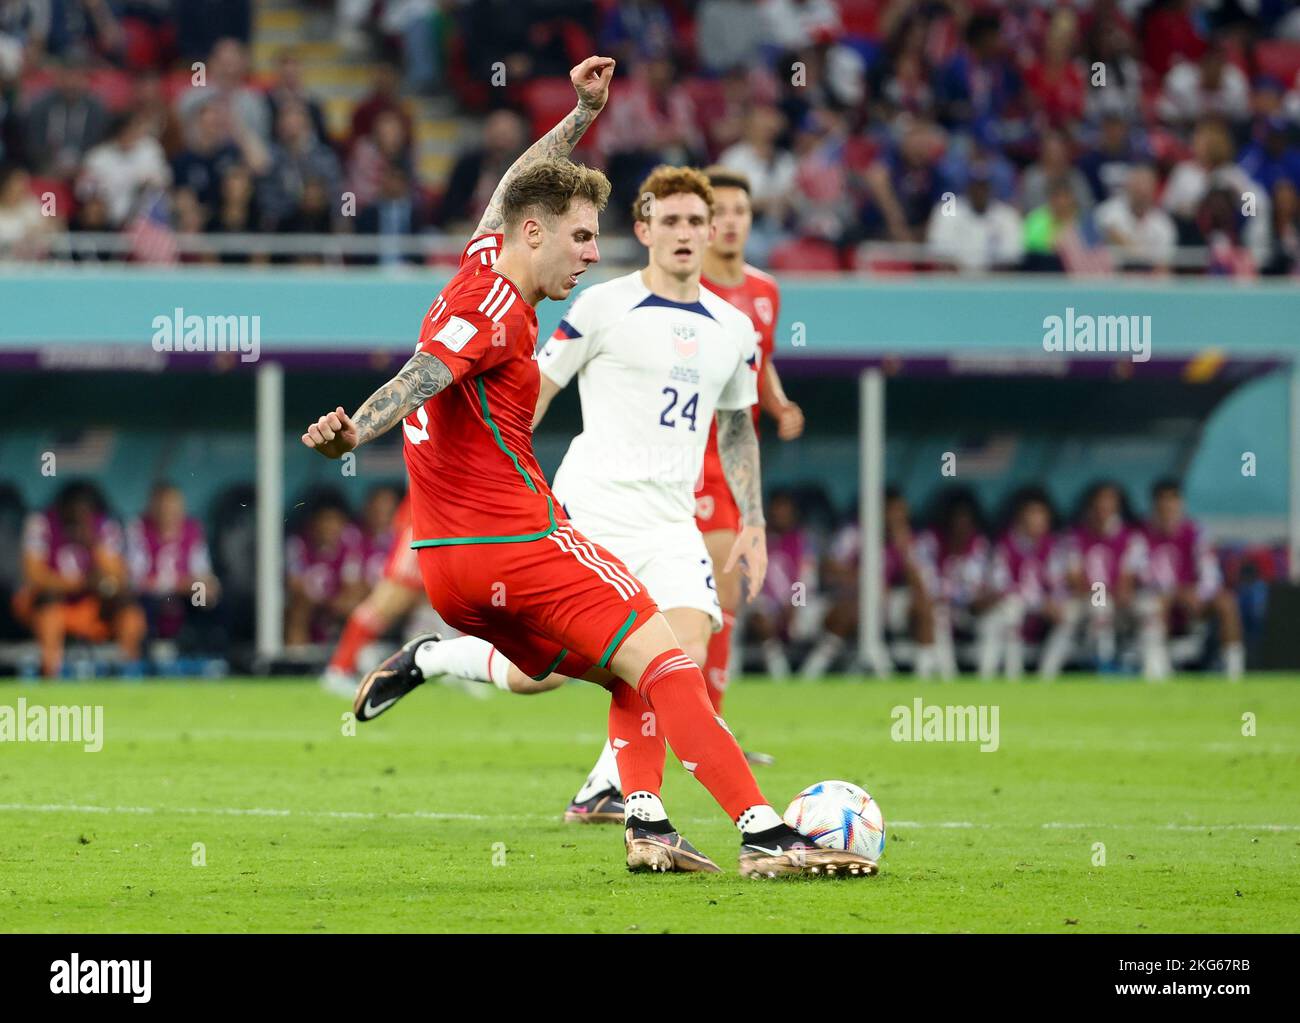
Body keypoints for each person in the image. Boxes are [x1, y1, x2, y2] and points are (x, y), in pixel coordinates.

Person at [301, 56, 874, 879]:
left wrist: (581, 113)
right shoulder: (497, 309)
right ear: (534, 235)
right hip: (526, 538)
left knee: (620, 671)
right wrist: (357, 429)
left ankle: (645, 823)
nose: (588, 254)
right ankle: (764, 833)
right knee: (669, 659)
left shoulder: (482, 262)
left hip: (450, 569)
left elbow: (516, 183)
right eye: (580, 237)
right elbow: (425, 371)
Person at [13, 482, 146, 677]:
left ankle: (128, 676)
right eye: (72, 513)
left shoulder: (103, 526)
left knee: (130, 613)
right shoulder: (42, 522)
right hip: (53, 605)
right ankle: (50, 676)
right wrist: (78, 584)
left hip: (92, 607)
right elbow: (33, 575)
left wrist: (92, 543)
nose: (77, 517)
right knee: (49, 608)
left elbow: (119, 577)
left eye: (83, 512)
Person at [1141, 479, 1244, 681]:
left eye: (1172, 500)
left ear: (1180, 503)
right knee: (1154, 603)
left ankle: (1234, 670)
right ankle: (1160, 670)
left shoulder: (1197, 533)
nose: (1167, 506)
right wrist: (1176, 592)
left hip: (1194, 601)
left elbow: (1210, 573)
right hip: (1163, 599)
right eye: (1162, 501)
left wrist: (1198, 594)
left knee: (1226, 602)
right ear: (1154, 505)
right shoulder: (1142, 536)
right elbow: (1143, 576)